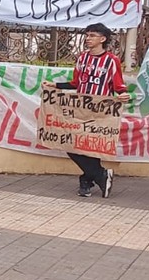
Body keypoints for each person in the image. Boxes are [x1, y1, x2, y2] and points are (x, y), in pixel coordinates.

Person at [42, 23, 129, 198]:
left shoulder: (112, 60)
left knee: (91, 146)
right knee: (72, 144)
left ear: (102, 39)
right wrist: (55, 85)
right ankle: (100, 175)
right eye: (87, 35)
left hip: (101, 110)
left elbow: (118, 85)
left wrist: (123, 95)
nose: (88, 39)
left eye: (92, 35)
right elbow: (76, 83)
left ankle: (86, 181)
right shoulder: (82, 58)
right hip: (80, 108)